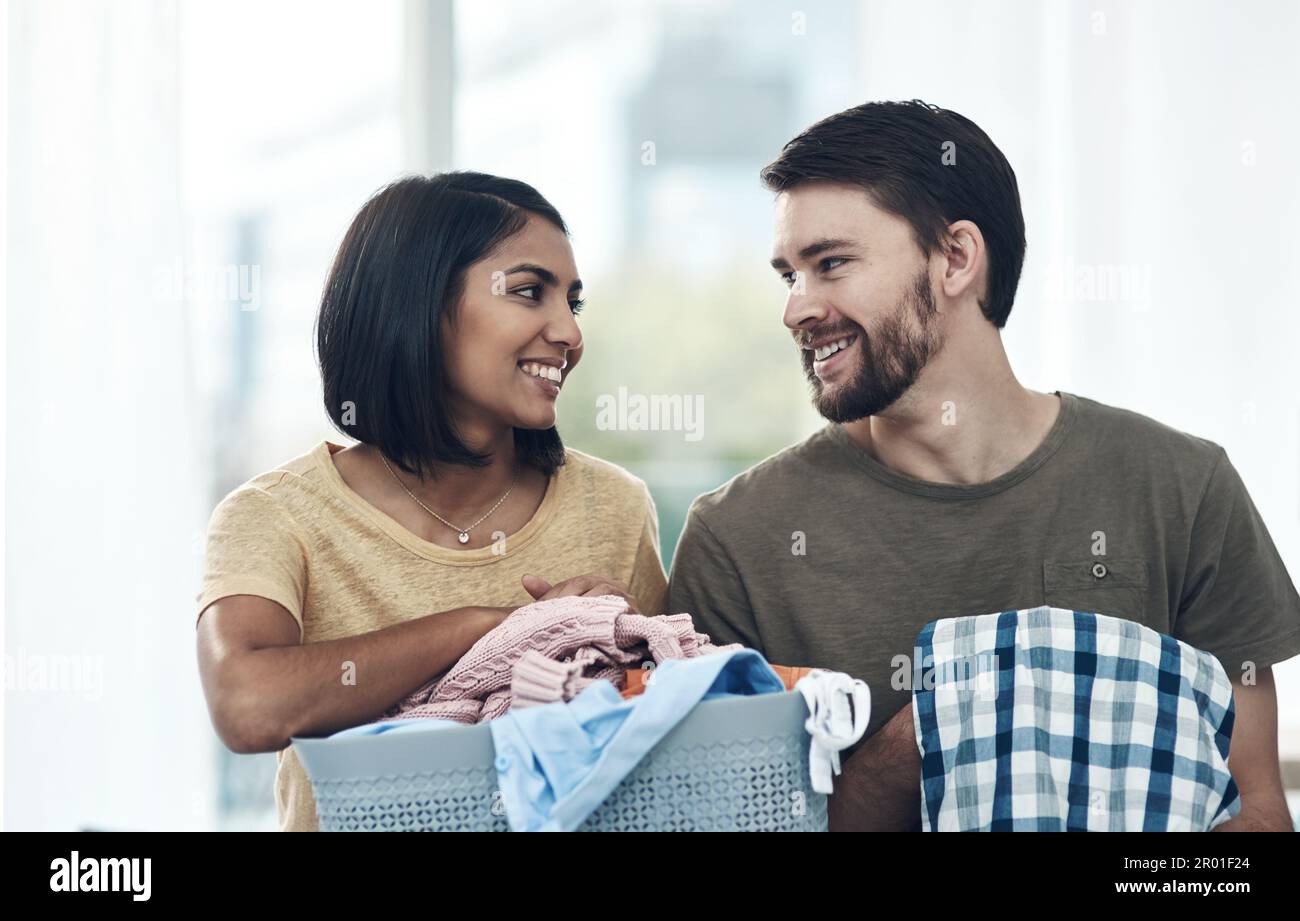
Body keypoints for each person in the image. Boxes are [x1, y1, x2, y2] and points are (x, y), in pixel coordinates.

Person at [666, 100, 1299, 831]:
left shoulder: (1183, 489)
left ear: (957, 258)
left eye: (831, 264)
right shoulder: (736, 539)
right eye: (789, 276)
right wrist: (941, 724)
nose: (796, 310)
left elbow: (1255, 813)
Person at [196, 172, 668, 831]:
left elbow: (668, 739)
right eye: (530, 292)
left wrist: (623, 647)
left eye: (574, 303)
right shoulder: (276, 516)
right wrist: (497, 628)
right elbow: (247, 706)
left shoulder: (612, 507)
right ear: (419, 303)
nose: (569, 332)